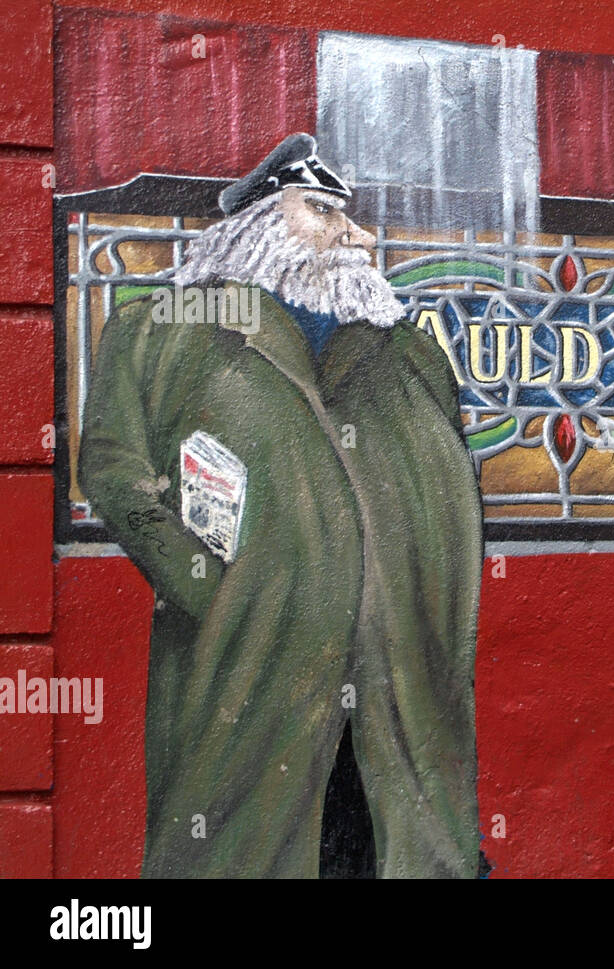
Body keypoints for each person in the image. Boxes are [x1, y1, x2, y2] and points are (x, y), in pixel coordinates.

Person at [79, 134, 484, 878]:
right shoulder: (157, 335)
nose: (354, 234)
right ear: (261, 223)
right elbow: (110, 469)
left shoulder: (408, 356)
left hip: (398, 695)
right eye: (323, 209)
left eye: (350, 214)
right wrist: (213, 586)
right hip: (250, 673)